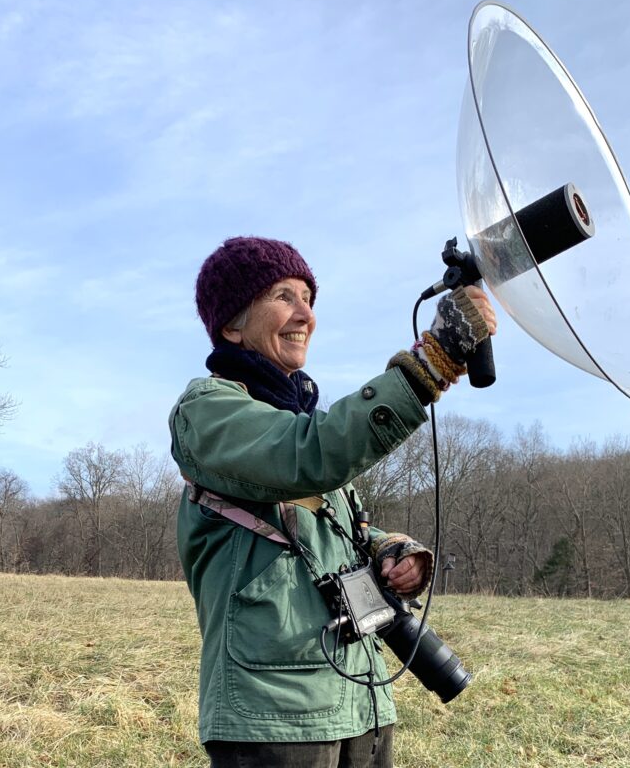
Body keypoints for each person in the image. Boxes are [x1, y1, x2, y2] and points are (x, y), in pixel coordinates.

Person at [170, 236, 496, 768]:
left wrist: (393, 550)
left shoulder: (301, 424)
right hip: (275, 718)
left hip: (361, 703)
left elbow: (340, 531)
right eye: (284, 296)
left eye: (308, 298)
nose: (306, 315)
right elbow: (309, 456)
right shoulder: (206, 412)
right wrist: (429, 363)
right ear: (231, 325)